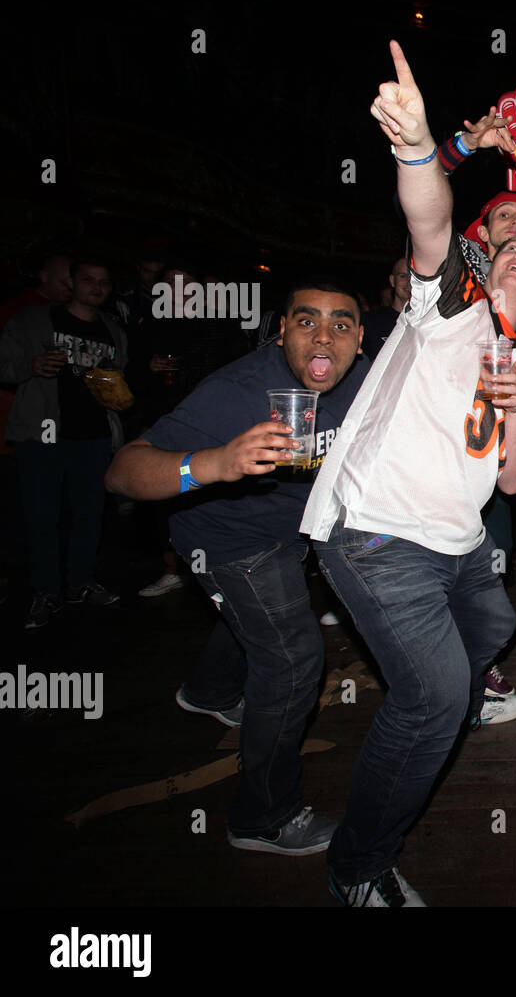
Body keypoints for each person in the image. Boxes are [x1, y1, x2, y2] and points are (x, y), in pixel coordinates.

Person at [300, 41, 516, 906]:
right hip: (379, 528)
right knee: (436, 696)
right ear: (487, 256)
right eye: (508, 242)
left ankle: (437, 700)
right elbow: (430, 219)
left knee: (495, 625)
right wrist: (417, 147)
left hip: (457, 538)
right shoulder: (453, 299)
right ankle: (358, 867)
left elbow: (513, 481)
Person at [104, 278, 370, 856]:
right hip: (230, 542)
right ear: (282, 331)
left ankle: (209, 690)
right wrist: (214, 462)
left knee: (256, 619)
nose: (323, 338)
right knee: (293, 659)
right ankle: (263, 817)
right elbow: (123, 471)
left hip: (292, 531)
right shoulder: (236, 390)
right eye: (307, 322)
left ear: (358, 338)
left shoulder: (363, 377)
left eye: (340, 324)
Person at [0, 254, 128, 629]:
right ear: (71, 282)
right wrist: (31, 366)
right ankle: (45, 591)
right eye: (88, 279)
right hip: (43, 432)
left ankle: (80, 583)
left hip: (94, 434)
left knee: (89, 515)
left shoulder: (112, 328)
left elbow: (119, 374)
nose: (96, 288)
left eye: (103, 282)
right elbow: (4, 366)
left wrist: (118, 397)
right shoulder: (33, 320)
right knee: (42, 516)